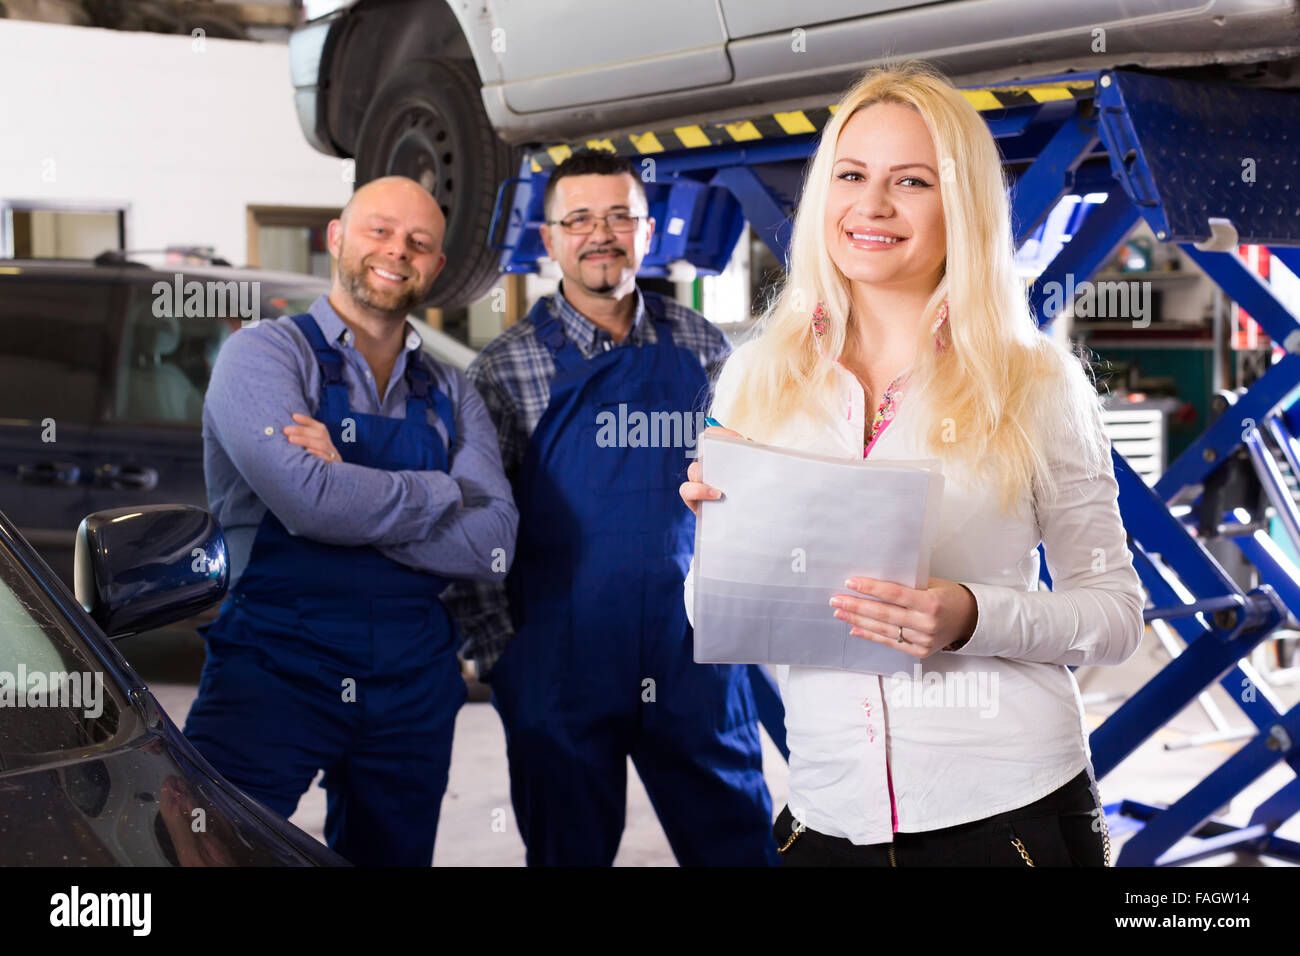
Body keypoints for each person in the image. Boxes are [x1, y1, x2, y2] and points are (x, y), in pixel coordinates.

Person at [680, 63, 1146, 867]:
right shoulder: (756, 376)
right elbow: (706, 615)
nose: (872, 206)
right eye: (852, 175)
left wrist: (970, 616)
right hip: (828, 816)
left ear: (959, 206)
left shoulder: (1034, 381)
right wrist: (728, 547)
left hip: (1007, 818)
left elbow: (1114, 617)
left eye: (913, 182)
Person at [442, 149, 778, 866]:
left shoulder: (702, 345)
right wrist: (506, 659)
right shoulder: (505, 367)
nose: (602, 233)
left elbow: (751, 493)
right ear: (551, 238)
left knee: (739, 848)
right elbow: (474, 531)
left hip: (693, 658)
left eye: (621, 215)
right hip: (559, 666)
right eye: (581, 218)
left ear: (648, 233)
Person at [184, 176, 517, 867]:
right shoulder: (266, 356)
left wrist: (349, 484)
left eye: (419, 242)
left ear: (437, 268)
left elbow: (493, 543)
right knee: (210, 851)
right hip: (274, 670)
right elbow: (308, 504)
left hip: (414, 680)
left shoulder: (452, 389)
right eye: (379, 230)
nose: (398, 250)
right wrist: (437, 490)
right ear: (336, 238)